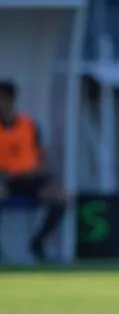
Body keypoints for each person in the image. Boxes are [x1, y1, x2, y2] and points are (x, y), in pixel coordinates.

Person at [0, 80, 68, 262]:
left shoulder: (29, 125)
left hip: (30, 179)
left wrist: (38, 171)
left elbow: (40, 156)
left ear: (10, 100)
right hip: (6, 180)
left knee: (60, 197)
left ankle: (38, 242)